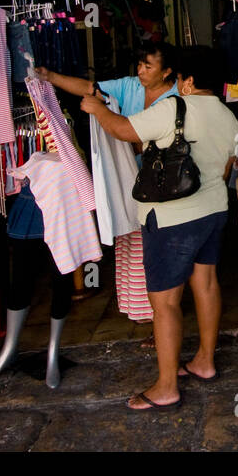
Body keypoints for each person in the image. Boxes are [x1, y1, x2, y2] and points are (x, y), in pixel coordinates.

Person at [80, 46, 238, 410]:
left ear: (190, 80)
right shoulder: (230, 118)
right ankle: (205, 360)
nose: (180, 83)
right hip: (214, 211)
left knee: (165, 302)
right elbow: (228, 165)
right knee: (207, 283)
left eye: (182, 77)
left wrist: (98, 109)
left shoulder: (173, 108)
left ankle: (167, 386)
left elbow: (123, 130)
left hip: (170, 217)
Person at [35, 43, 180, 341]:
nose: (140, 71)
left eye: (148, 67)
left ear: (167, 72)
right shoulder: (129, 87)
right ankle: (139, 308)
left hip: (164, 184)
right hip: (129, 180)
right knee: (130, 238)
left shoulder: (177, 95)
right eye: (139, 65)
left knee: (156, 249)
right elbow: (89, 88)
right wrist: (50, 77)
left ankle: (162, 314)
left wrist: (113, 121)